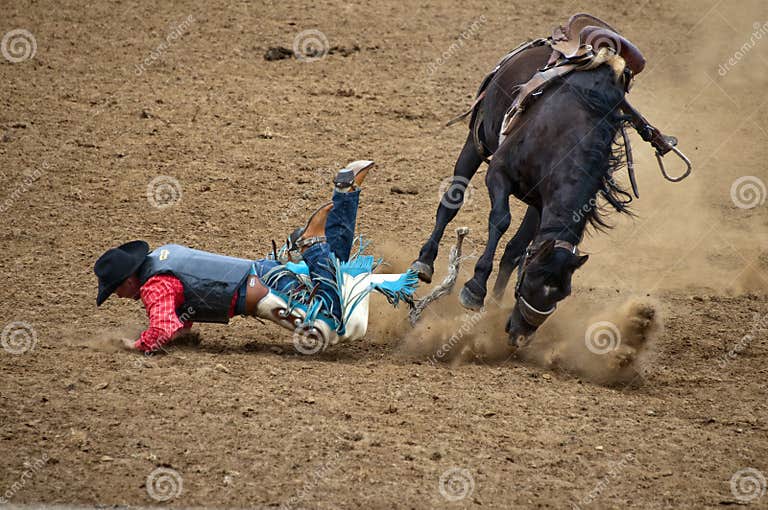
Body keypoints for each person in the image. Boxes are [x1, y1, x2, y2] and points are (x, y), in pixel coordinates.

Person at [93, 161, 417, 354]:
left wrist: (138, 345)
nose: (119, 296)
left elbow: (163, 326)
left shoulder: (154, 285)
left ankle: (311, 242)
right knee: (335, 270)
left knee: (325, 329)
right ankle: (346, 193)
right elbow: (181, 314)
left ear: (128, 279)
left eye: (116, 290)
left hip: (264, 291)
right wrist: (181, 333)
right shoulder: (164, 258)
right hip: (265, 272)